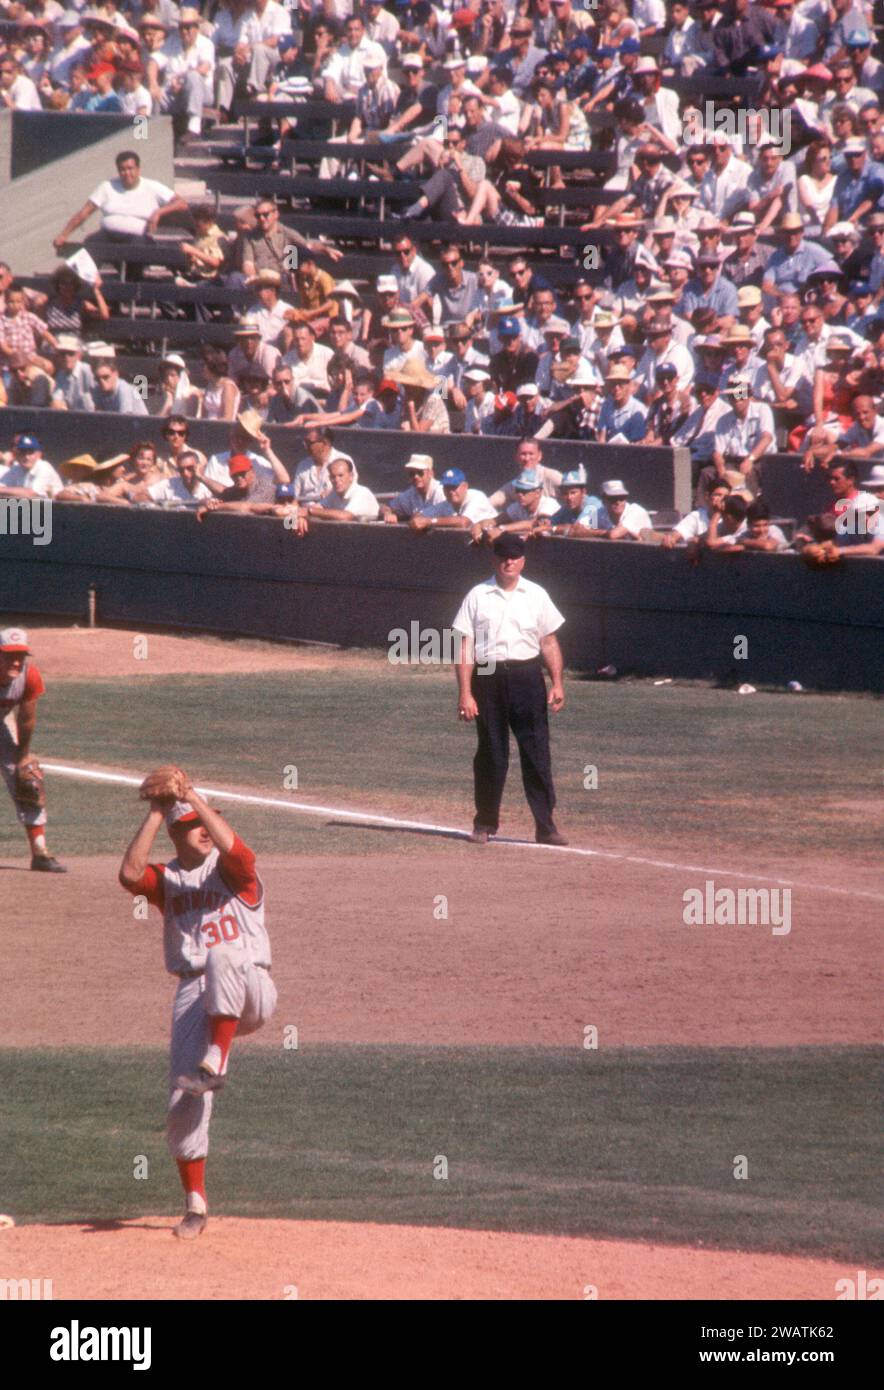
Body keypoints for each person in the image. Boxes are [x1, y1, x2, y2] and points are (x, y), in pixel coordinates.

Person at [118, 772, 277, 1239]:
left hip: (252, 988)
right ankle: (196, 1204)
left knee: (222, 954)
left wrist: (190, 798)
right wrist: (156, 810)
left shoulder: (232, 871)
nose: (205, 829)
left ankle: (217, 1059)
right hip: (193, 995)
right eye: (192, 824)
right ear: (174, 832)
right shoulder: (168, 880)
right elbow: (129, 875)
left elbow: (241, 853)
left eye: (209, 820)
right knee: (182, 1103)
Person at [452, 533, 567, 847]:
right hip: (488, 675)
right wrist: (465, 692)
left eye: (515, 556)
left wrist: (557, 682)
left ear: (523, 560)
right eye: (503, 556)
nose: (509, 562)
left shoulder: (537, 595)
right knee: (491, 753)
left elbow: (549, 642)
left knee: (537, 751)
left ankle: (546, 826)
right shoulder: (478, 595)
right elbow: (465, 646)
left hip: (527, 674)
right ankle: (485, 823)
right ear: (494, 559)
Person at [0, 628, 66, 872]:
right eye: (9, 655)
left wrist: (22, 756)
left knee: (28, 780)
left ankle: (40, 853)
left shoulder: (28, 677)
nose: (16, 661)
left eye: (21, 655)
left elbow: (26, 720)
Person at [52, 150, 188, 257]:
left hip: (137, 237)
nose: (127, 173)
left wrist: (159, 212)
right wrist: (64, 235)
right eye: (122, 169)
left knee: (138, 251)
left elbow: (182, 203)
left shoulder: (153, 186)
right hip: (108, 235)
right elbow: (84, 213)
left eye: (130, 168)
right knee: (90, 245)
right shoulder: (106, 186)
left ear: (138, 169)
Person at [409, 468, 497, 531]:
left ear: (465, 486)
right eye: (447, 487)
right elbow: (419, 516)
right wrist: (417, 521)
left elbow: (463, 523)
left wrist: (429, 521)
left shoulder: (477, 497)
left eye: (454, 487)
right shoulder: (447, 503)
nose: (451, 491)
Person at [306, 457, 380, 522]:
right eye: (333, 477)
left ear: (351, 476)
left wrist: (309, 512)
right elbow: (313, 508)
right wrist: (299, 517)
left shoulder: (362, 493)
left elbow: (345, 516)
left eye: (341, 476)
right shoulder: (334, 494)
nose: (337, 480)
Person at [379, 454, 445, 523]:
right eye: (411, 474)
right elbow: (385, 507)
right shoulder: (411, 493)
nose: (415, 477)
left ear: (431, 474)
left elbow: (452, 518)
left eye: (420, 473)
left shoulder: (441, 492)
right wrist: (388, 514)